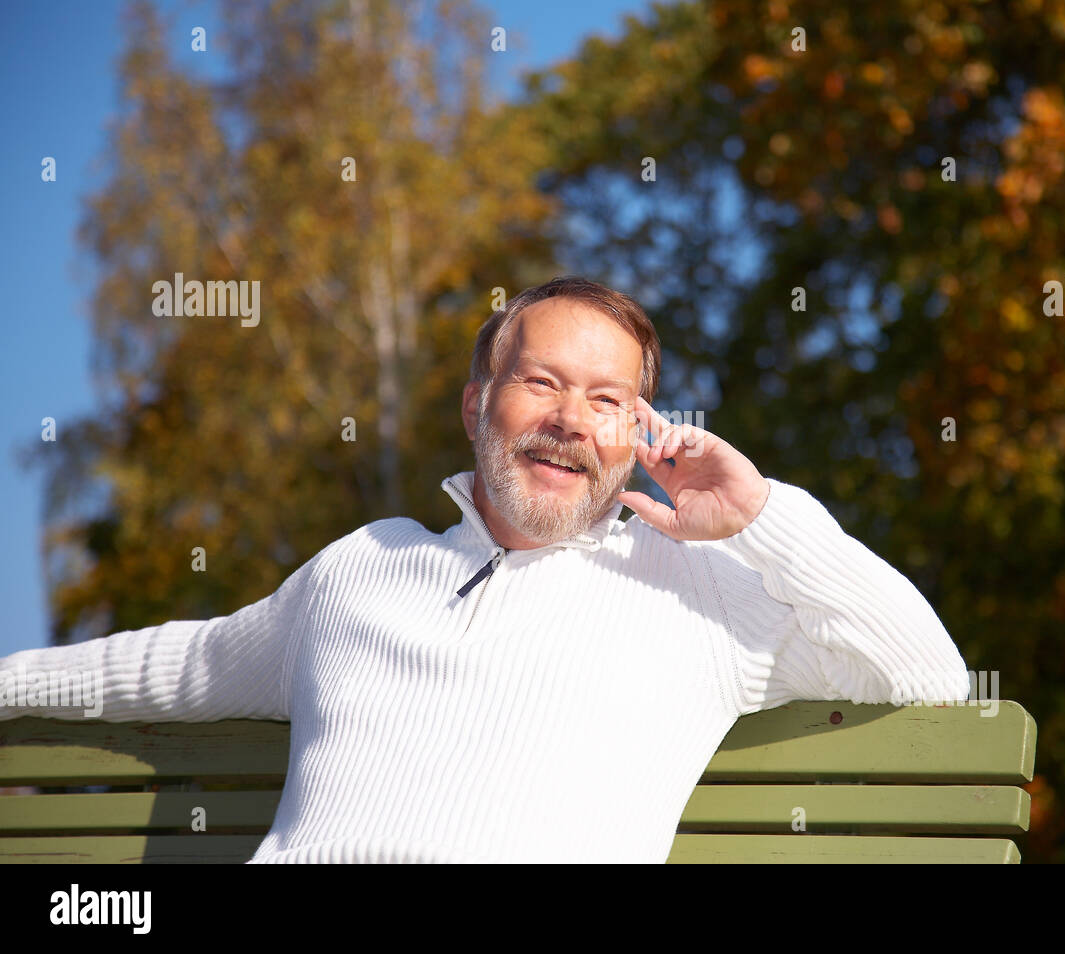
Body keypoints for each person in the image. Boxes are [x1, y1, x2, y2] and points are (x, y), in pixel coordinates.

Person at [0, 276, 972, 863]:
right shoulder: (359, 571)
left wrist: (760, 520)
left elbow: (927, 678)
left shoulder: (701, 595)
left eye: (605, 400)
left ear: (637, 438)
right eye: (541, 382)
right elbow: (169, 668)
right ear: (477, 407)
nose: (568, 418)